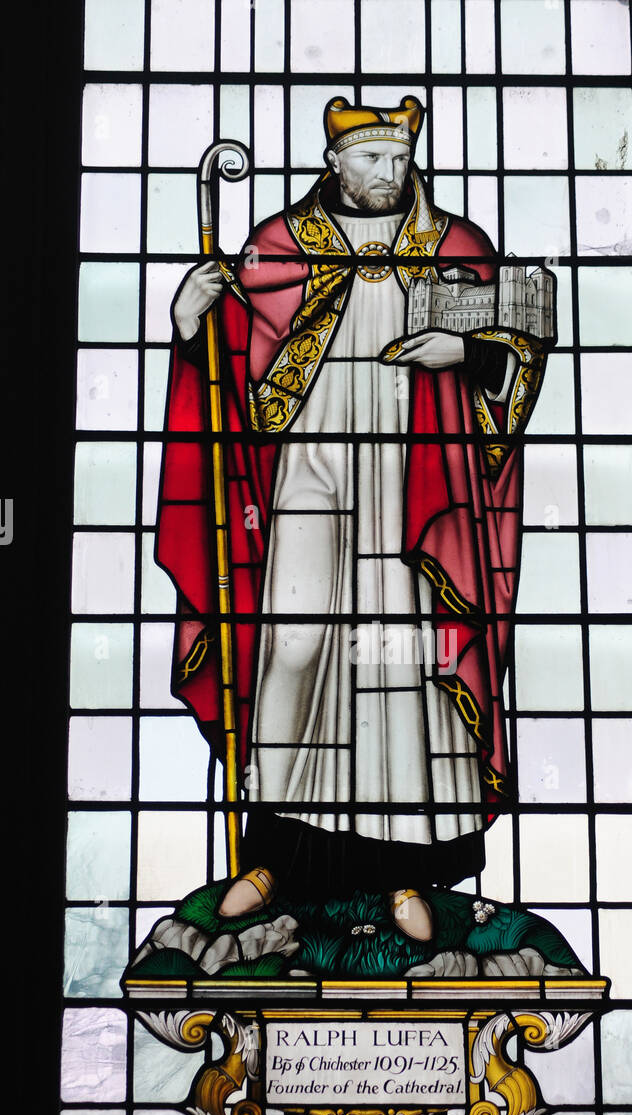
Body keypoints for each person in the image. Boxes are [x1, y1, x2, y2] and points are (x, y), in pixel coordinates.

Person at [157, 95, 551, 942]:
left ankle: (406, 869)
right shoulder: (280, 245)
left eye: (399, 159)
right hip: (307, 471)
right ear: (333, 162)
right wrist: (191, 322)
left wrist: (469, 350)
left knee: (404, 658)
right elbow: (229, 366)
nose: (388, 174)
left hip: (417, 492)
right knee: (292, 645)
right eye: (371, 160)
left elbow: (520, 342)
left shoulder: (456, 248)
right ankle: (276, 855)